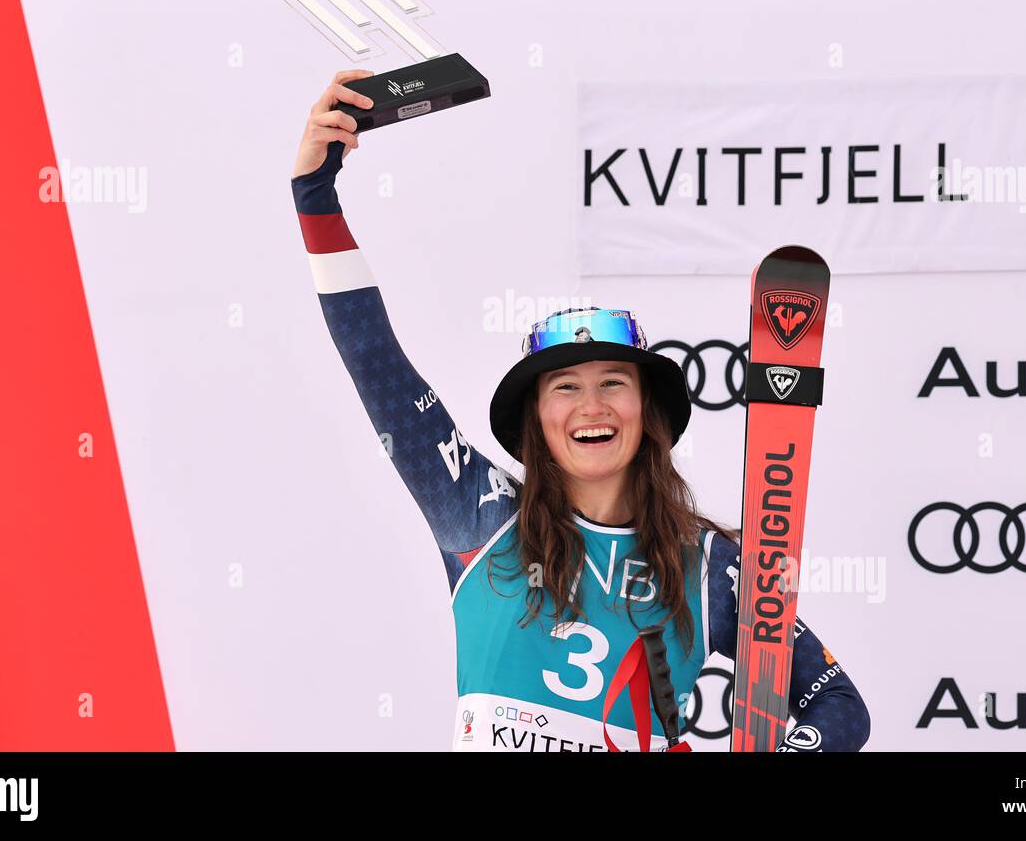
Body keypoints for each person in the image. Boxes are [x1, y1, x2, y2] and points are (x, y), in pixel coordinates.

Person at [290, 70, 871, 752]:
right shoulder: (476, 510)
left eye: (614, 383)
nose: (591, 405)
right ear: (534, 418)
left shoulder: (708, 565)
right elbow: (372, 355)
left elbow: (836, 704)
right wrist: (314, 194)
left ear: (647, 410)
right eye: (564, 386)